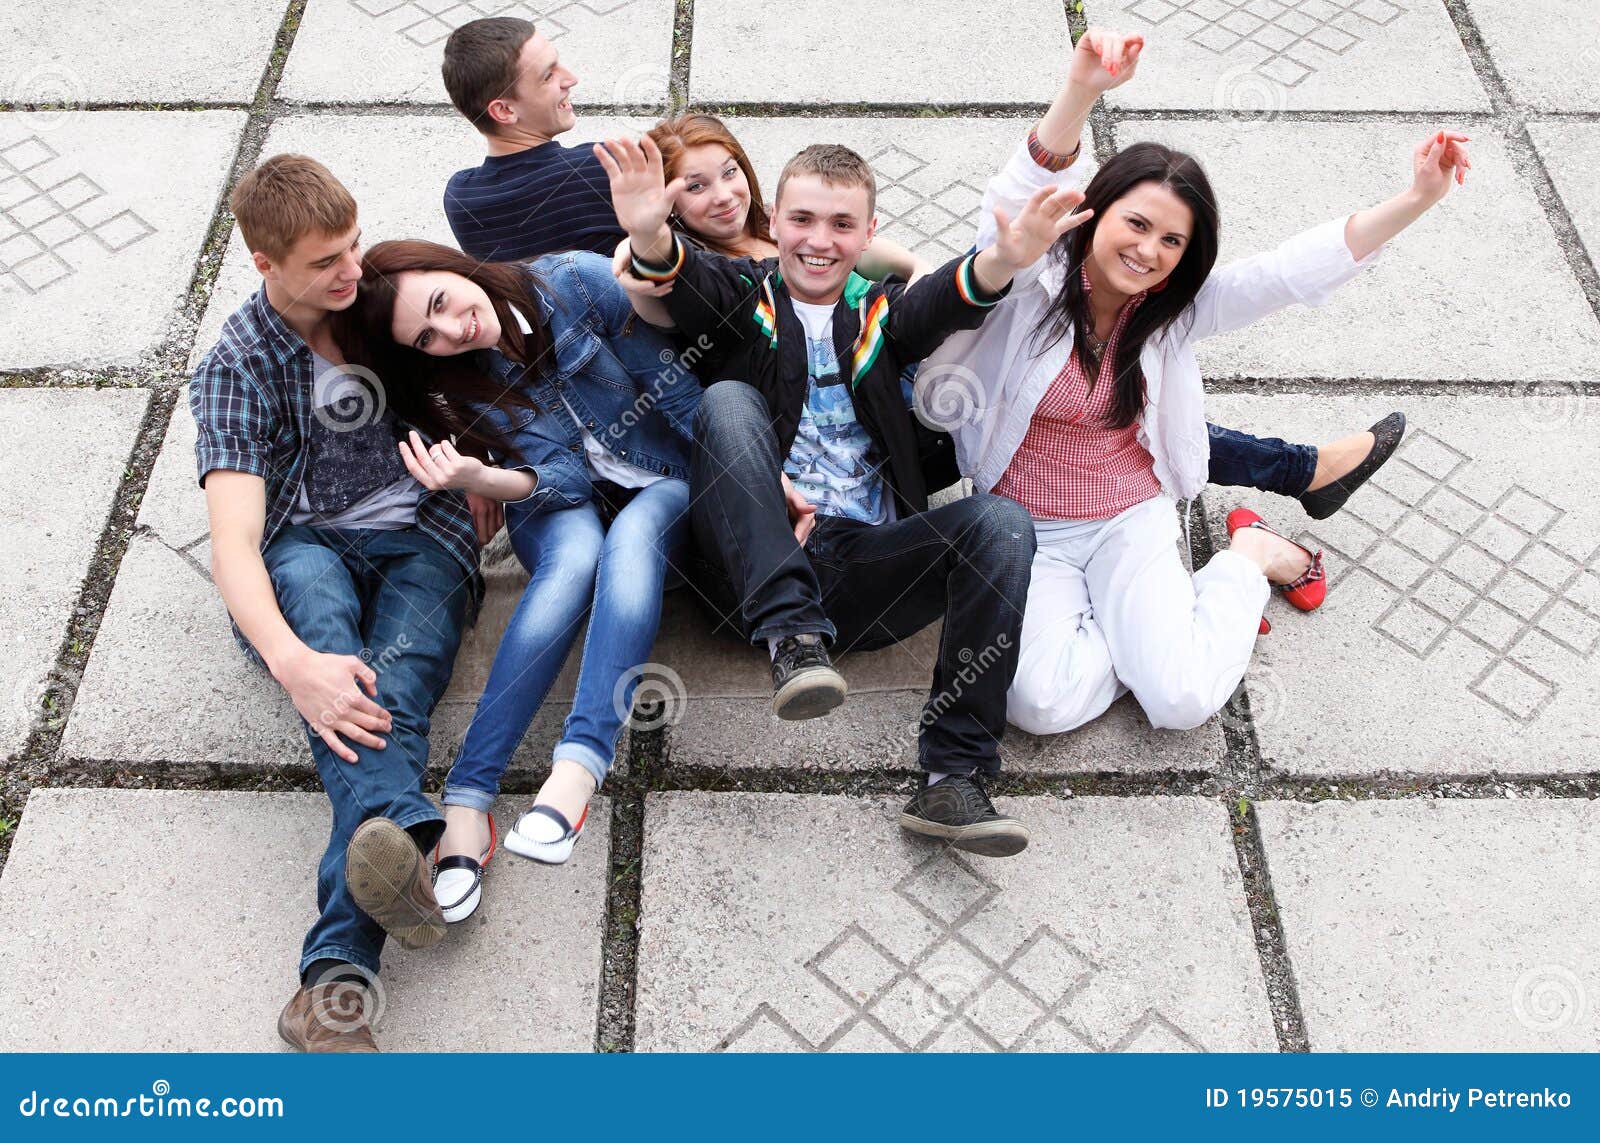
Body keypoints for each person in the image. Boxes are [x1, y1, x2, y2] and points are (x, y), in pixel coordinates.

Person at [919, 28, 1469, 737]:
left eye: (1171, 241)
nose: (1147, 251)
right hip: (1028, 529)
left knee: (1178, 703)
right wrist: (1082, 87)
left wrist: (1417, 198)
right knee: (1035, 707)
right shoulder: (1031, 278)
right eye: (1136, 224)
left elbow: (1286, 273)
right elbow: (1019, 191)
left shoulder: (1176, 311)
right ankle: (1155, 639)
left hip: (1129, 518)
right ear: (1095, 213)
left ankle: (1248, 559)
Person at [601, 133, 1101, 857]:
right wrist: (646, 228)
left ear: (869, 233)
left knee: (1000, 523)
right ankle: (790, 634)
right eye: (803, 219)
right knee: (729, 401)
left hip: (868, 569)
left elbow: (946, 298)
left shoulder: (880, 314)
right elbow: (680, 280)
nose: (819, 240)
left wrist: (1005, 259)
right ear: (774, 222)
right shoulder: (745, 299)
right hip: (748, 575)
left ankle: (952, 776)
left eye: (842, 225)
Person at [191, 155, 489, 1053]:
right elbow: (236, 541)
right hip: (304, 541)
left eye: (353, 246)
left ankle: (332, 985)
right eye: (325, 261)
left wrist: (478, 457)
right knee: (337, 662)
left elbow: (481, 324)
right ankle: (404, 830)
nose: (349, 272)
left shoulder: (376, 302)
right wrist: (295, 664)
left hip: (425, 537)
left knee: (383, 699)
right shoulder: (236, 369)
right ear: (264, 264)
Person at [344, 240, 700, 918]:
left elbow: (687, 398)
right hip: (551, 498)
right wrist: (479, 477)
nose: (452, 331)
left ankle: (580, 763)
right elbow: (560, 481)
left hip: (665, 477)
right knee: (572, 562)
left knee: (628, 539)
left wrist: (762, 480)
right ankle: (468, 801)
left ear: (450, 264)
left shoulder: (573, 281)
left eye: (441, 302)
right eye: (427, 337)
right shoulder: (459, 378)